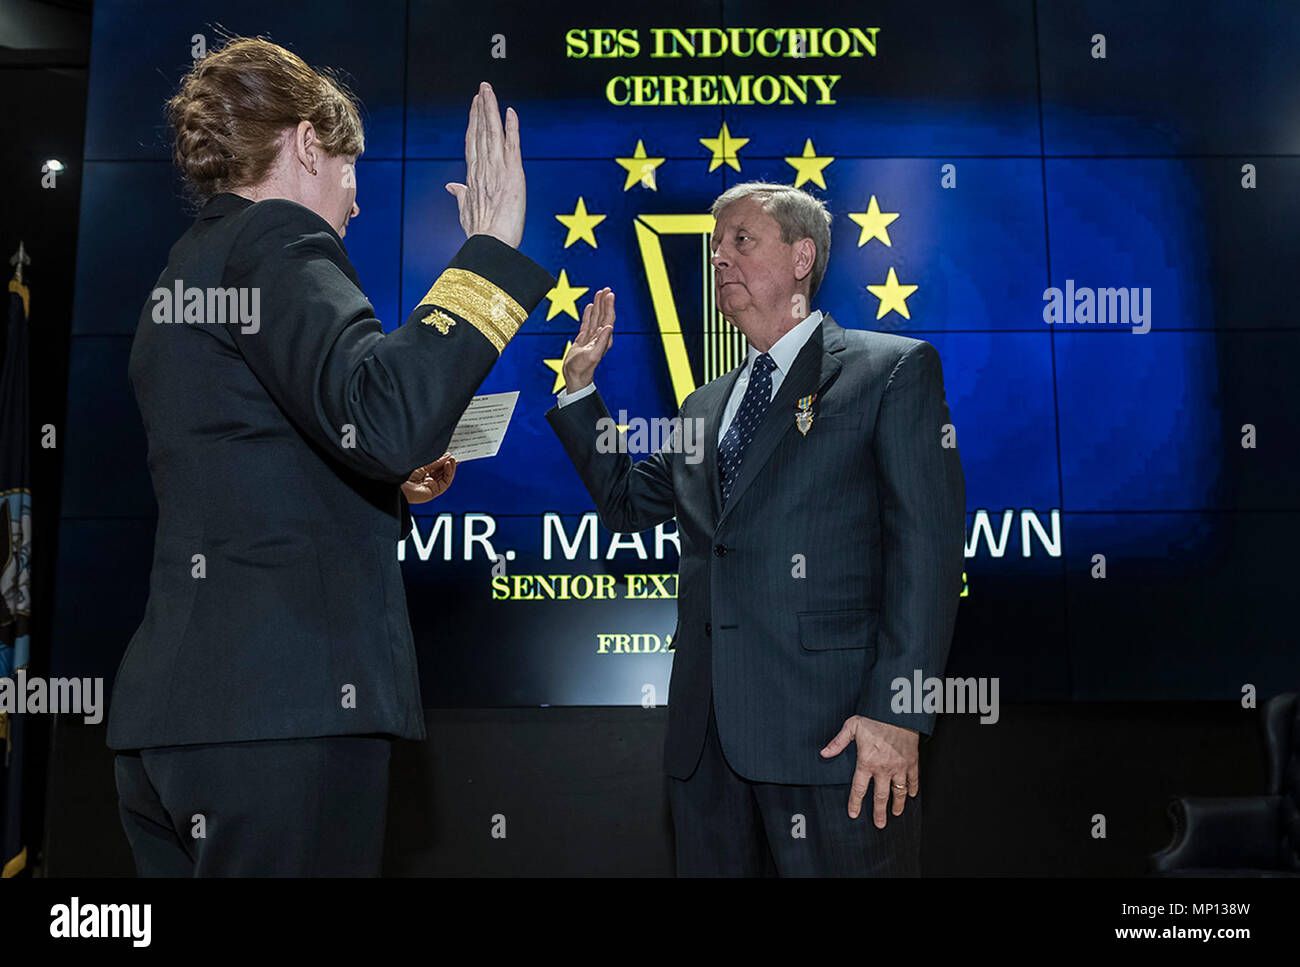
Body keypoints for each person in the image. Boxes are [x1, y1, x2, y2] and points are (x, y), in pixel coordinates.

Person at [106, 37, 554, 875]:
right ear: (309, 144)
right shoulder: (278, 237)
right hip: (283, 721)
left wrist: (391, 471)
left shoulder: (184, 268)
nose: (354, 206)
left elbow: (262, 450)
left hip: (176, 725)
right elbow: (385, 415)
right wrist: (489, 250)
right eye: (354, 174)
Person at [547, 182, 966, 875]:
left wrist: (899, 713)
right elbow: (626, 506)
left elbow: (928, 548)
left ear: (803, 256)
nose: (720, 258)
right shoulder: (705, 404)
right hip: (707, 748)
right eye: (715, 248)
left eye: (741, 240)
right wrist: (578, 390)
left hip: (838, 741)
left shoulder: (889, 371)